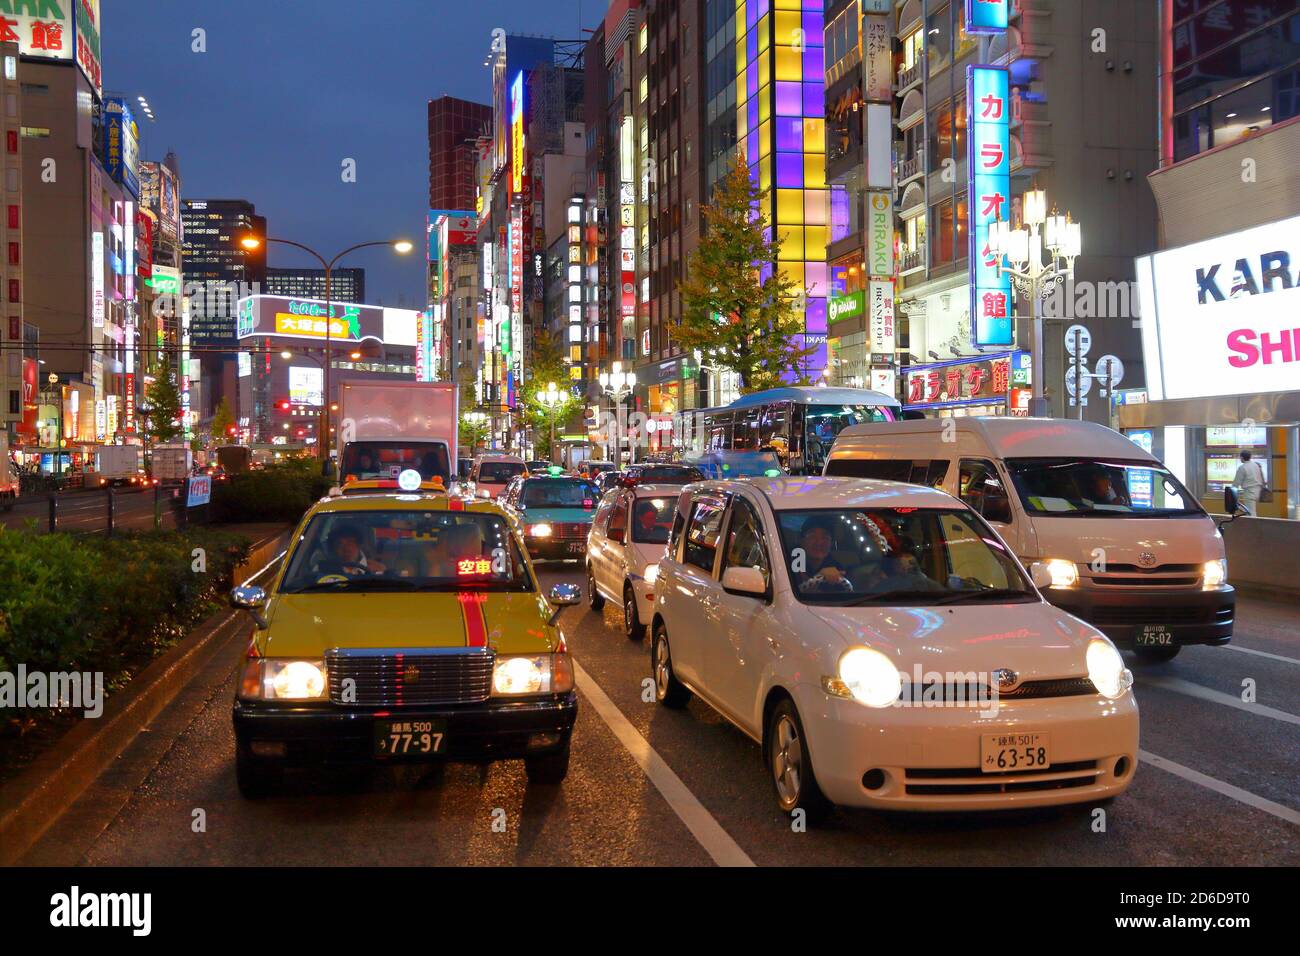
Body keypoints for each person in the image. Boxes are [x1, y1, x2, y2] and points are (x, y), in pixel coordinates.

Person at [792, 516, 850, 594]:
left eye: (825, 537)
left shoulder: (837, 569)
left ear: (831, 543)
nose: (819, 542)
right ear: (802, 541)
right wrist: (819, 577)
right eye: (812, 536)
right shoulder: (787, 563)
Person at [321, 523, 386, 576]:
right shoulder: (324, 570)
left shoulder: (378, 570)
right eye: (340, 544)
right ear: (334, 549)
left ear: (359, 545)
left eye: (351, 542)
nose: (346, 548)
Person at [1232, 450, 1266, 515]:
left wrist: (1232, 492)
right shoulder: (1256, 465)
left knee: (1251, 512)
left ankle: (1252, 525)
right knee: (1249, 510)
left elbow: (1236, 482)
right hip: (1258, 491)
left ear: (1242, 457)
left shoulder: (1242, 467)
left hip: (1249, 492)